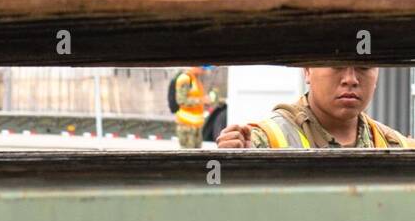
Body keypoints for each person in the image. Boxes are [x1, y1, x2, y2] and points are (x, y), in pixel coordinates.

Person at [216, 65, 415, 149]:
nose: (350, 79)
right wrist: (234, 161)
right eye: (336, 65)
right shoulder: (262, 142)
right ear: (307, 71)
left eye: (364, 67)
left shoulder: (396, 147)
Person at [172, 65, 213, 149]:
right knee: (188, 157)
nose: (204, 71)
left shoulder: (196, 79)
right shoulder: (185, 78)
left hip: (196, 125)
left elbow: (197, 98)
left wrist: (205, 101)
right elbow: (181, 100)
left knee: (197, 157)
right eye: (203, 68)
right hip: (187, 126)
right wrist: (201, 100)